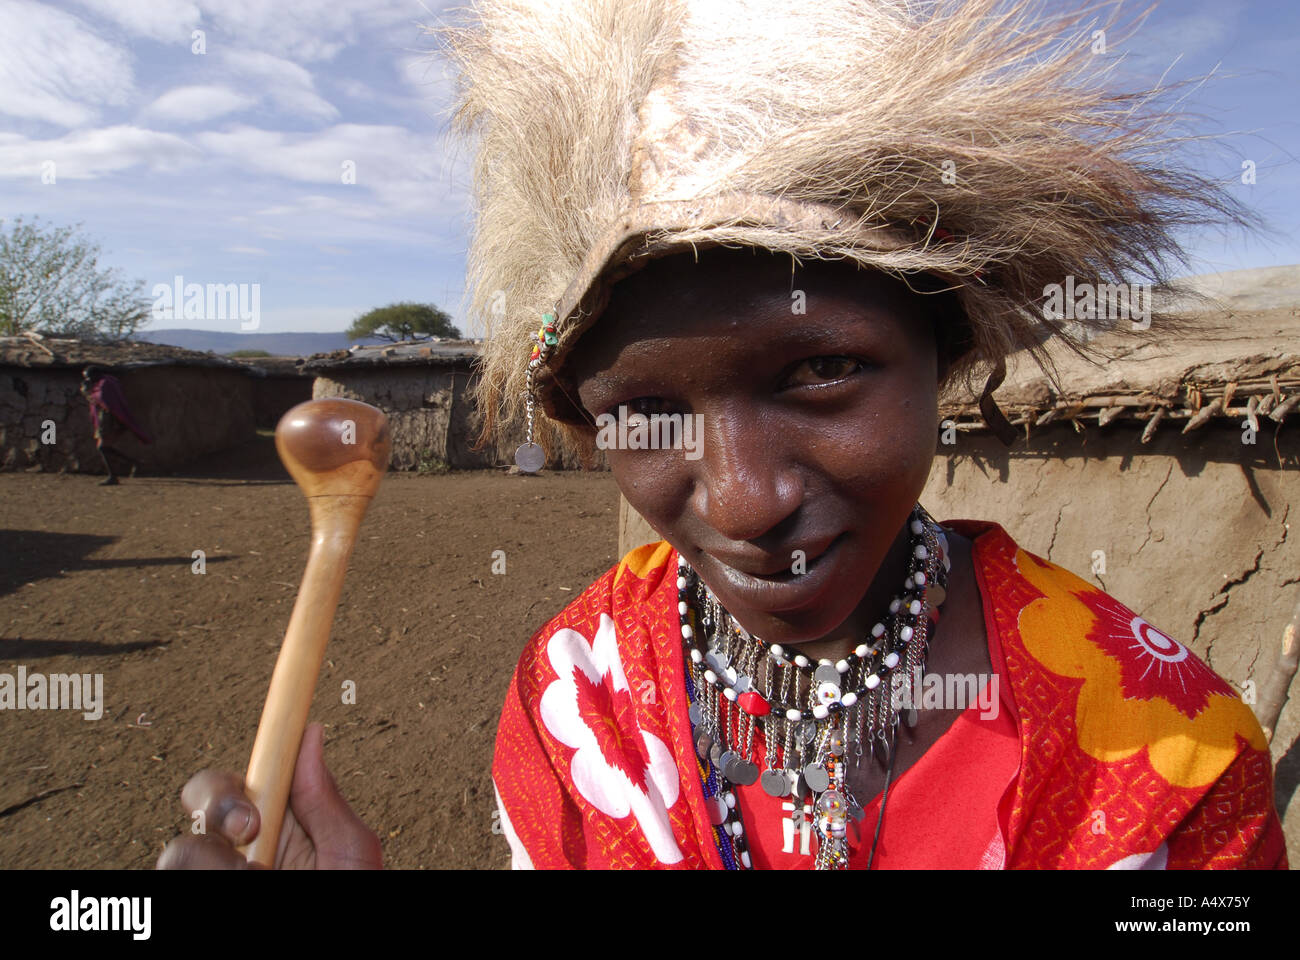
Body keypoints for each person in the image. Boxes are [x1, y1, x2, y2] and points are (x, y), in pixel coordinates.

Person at [157, 0, 1288, 870]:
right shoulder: (578, 690)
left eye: (822, 372)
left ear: (940, 358)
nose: (746, 502)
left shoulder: (1162, 754)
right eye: (646, 412)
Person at [80, 364, 152, 484]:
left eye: (88, 377)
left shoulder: (105, 385)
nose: (88, 380)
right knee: (104, 447)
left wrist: (87, 392)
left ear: (96, 375)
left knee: (102, 447)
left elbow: (102, 400)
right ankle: (133, 463)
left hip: (111, 420)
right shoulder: (107, 382)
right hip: (110, 419)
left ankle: (114, 476)